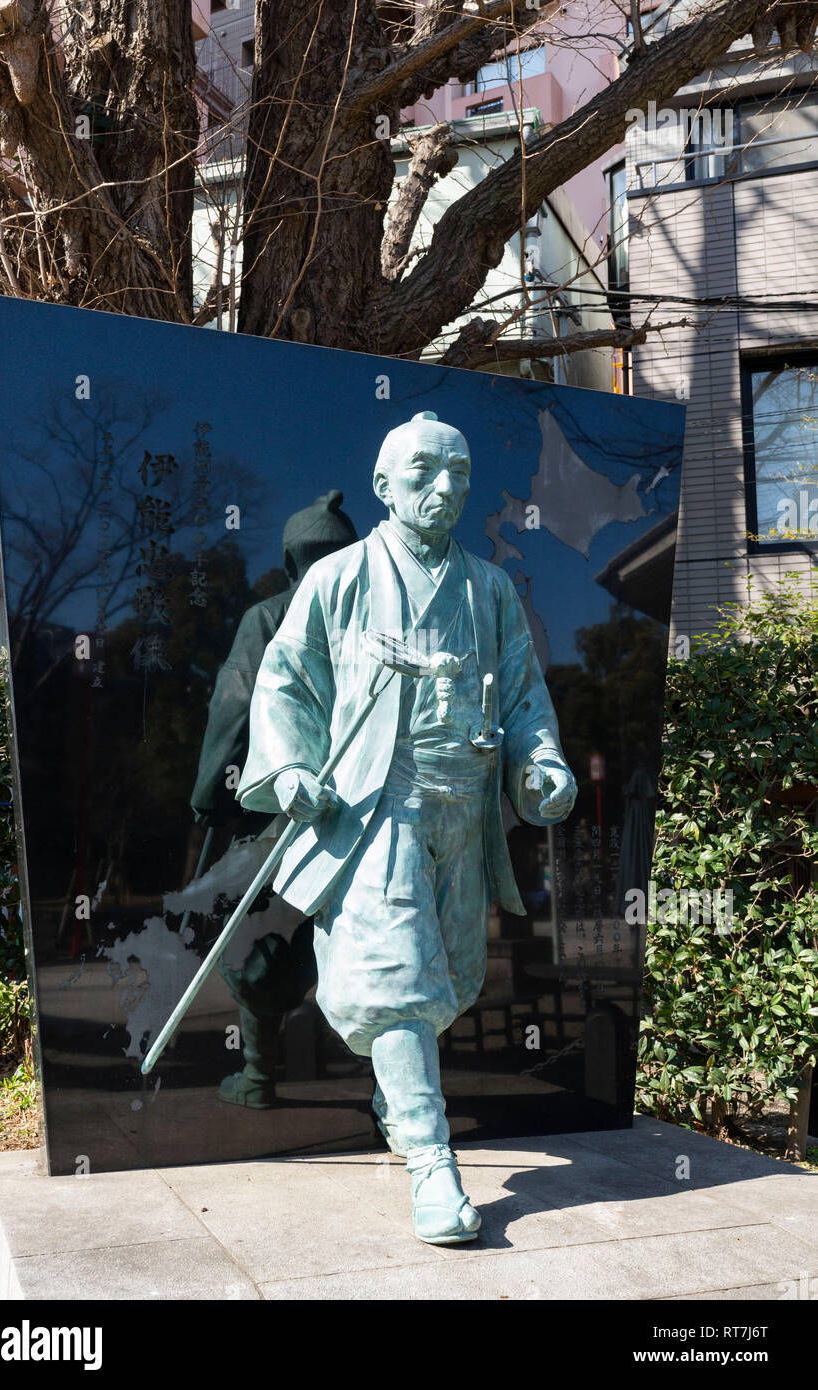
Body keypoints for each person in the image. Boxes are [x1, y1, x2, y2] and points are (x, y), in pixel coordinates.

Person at [237, 413, 577, 1244]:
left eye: (459, 472)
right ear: (385, 486)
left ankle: (399, 1091)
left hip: (461, 810)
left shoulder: (488, 588)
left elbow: (525, 696)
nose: (446, 487)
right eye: (423, 471)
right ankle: (433, 1165)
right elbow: (283, 683)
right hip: (373, 803)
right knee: (394, 973)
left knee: (453, 976)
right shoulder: (340, 579)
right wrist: (288, 769)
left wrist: (543, 766)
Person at [190, 490, 358, 1106]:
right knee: (368, 949)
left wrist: (212, 790)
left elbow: (233, 706)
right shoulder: (382, 623)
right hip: (368, 819)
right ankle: (388, 1097)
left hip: (284, 818)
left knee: (262, 943)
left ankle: (260, 1077)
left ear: (290, 562)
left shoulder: (269, 617)